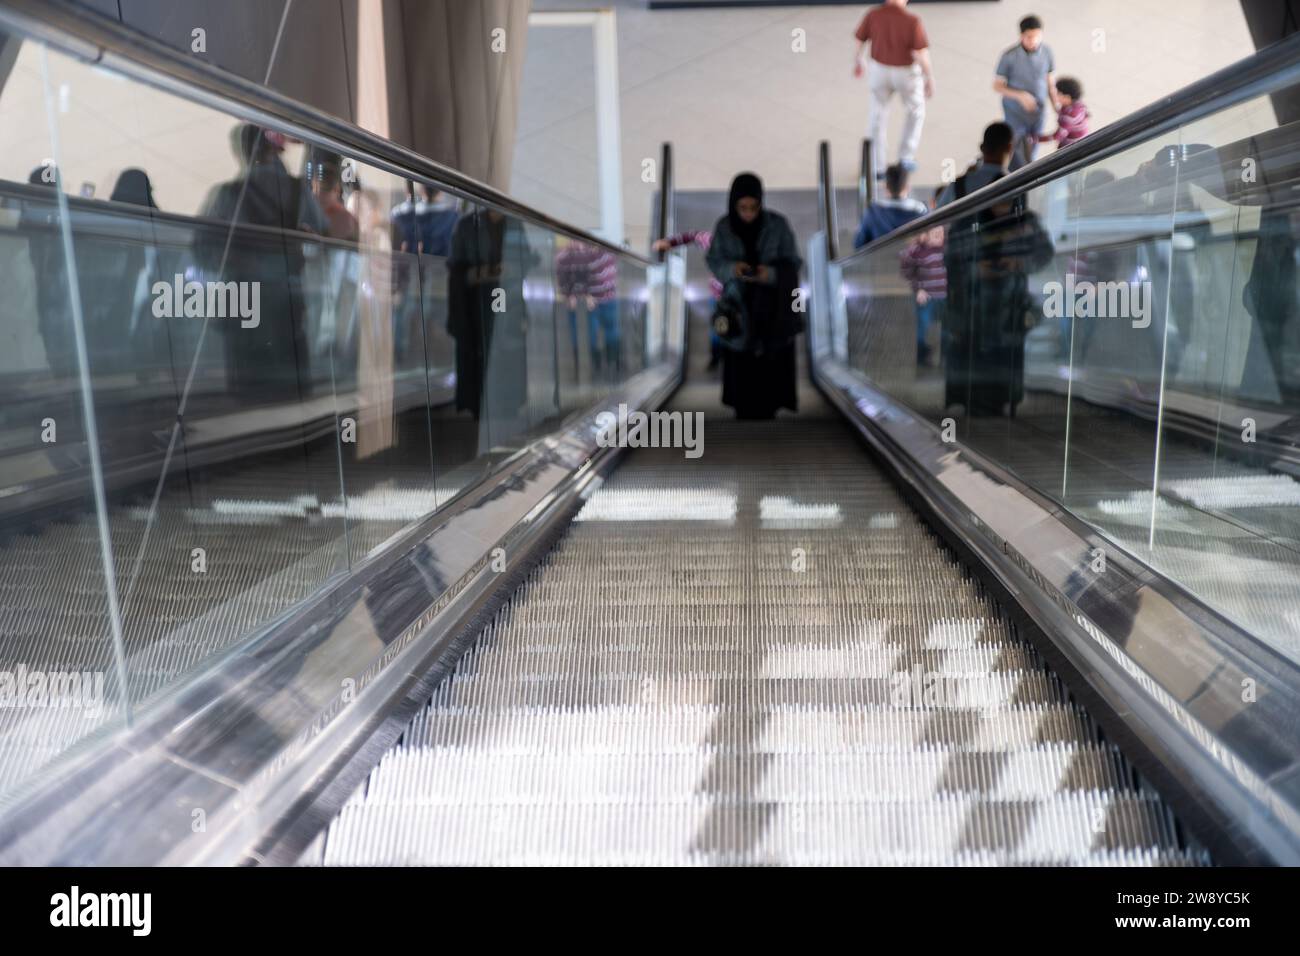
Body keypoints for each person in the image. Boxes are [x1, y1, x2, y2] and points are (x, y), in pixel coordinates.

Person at [705, 173, 802, 420]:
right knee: (742, 368)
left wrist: (766, 274)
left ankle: (768, 415)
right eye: (742, 208)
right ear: (733, 205)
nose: (748, 213)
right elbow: (714, 260)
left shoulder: (777, 225)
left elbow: (794, 263)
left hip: (771, 310)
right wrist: (732, 270)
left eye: (753, 207)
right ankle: (744, 412)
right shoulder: (724, 227)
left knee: (769, 370)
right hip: (738, 307)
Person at [853, 0, 934, 178]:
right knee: (915, 111)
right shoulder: (912, 20)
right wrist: (929, 77)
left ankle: (876, 167)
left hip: (879, 70)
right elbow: (920, 53)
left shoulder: (873, 14)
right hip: (906, 74)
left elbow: (860, 39)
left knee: (877, 115)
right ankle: (905, 157)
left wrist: (859, 60)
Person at [993, 15, 1057, 170]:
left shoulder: (1047, 52)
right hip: (1015, 112)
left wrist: (1056, 104)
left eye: (1037, 36)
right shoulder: (1009, 56)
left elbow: (1049, 80)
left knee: (1034, 147)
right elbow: (997, 86)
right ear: (1021, 35)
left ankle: (1030, 173)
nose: (1034, 40)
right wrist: (1020, 96)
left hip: (1038, 110)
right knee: (1016, 147)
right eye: (1029, 37)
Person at [654, 229, 724, 369]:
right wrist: (669, 242)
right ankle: (716, 357)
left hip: (740, 295)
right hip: (719, 295)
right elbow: (692, 236)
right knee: (717, 330)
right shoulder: (714, 240)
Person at [555, 239, 621, 380]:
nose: (579, 246)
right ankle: (597, 366)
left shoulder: (601, 255)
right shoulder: (566, 257)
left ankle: (611, 365)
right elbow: (565, 276)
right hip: (591, 301)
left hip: (605, 298)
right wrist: (574, 294)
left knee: (609, 333)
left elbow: (600, 276)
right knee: (591, 335)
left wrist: (581, 294)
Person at [899, 215, 946, 365]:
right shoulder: (917, 251)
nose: (939, 238)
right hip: (927, 296)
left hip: (945, 295)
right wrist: (918, 289)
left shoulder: (945, 249)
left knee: (947, 326)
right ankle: (922, 356)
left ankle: (946, 357)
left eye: (941, 234)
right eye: (935, 235)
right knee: (923, 326)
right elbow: (907, 270)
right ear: (925, 236)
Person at [936, 121, 1015, 208]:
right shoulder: (1017, 185)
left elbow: (937, 216)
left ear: (981, 148)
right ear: (1009, 148)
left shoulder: (958, 185)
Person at [854, 163, 928, 249]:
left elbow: (859, 244)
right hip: (913, 261)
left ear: (886, 186)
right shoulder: (922, 211)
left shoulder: (873, 212)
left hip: (880, 260)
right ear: (907, 187)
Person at [1041, 76, 1089, 148]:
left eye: (1058, 93)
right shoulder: (1078, 105)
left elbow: (1057, 136)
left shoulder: (1069, 116)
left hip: (1071, 148)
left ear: (1067, 97)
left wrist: (1034, 139)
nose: (1055, 95)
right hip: (1081, 142)